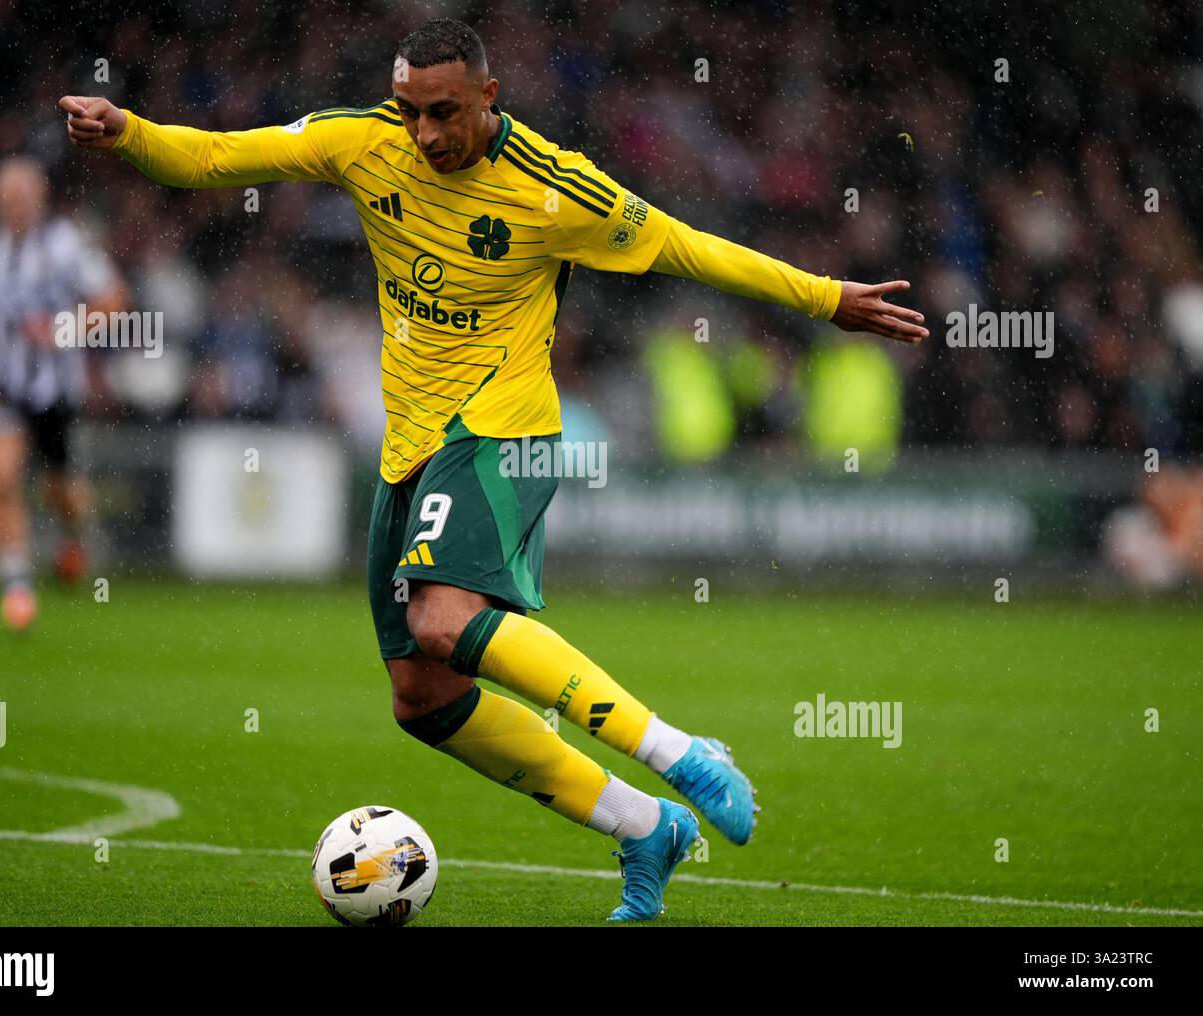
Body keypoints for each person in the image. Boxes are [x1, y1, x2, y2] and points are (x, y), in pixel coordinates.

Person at [59, 17, 926, 920]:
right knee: (422, 698)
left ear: (487, 98)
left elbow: (683, 244)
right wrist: (130, 134)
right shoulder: (365, 143)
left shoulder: (555, 187)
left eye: (443, 113)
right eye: (411, 112)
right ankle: (644, 828)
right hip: (412, 451)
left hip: (502, 431)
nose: (424, 133)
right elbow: (211, 159)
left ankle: (679, 753)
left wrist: (826, 298)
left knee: (441, 622)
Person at [0, 156, 127, 630]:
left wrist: (66, 328)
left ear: (40, 197)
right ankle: (16, 587)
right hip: (1, 387)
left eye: (23, 195)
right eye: (7, 196)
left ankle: (74, 538)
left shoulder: (66, 246)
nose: (15, 204)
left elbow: (115, 300)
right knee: (1, 479)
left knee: (59, 490)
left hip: (55, 391)